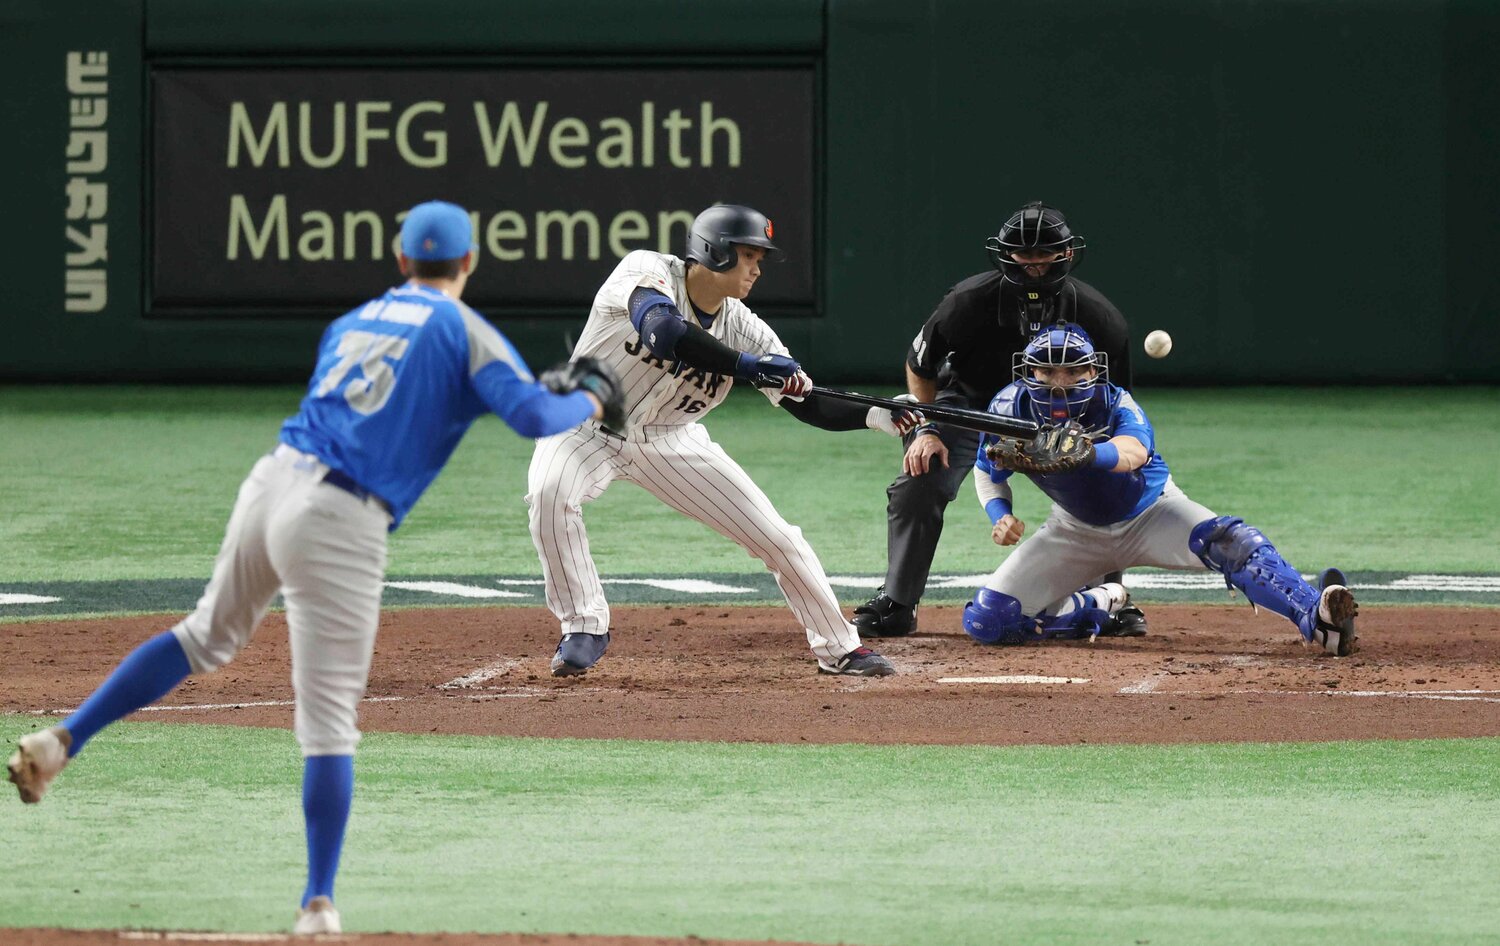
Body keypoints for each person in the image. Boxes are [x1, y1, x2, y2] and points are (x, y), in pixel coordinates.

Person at [6, 201, 621, 935]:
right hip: (338, 518)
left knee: (204, 637)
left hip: (272, 481)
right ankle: (317, 904)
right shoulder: (467, 330)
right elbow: (528, 417)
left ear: (400, 261)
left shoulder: (351, 321)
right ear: (468, 262)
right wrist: (586, 397)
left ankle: (62, 739)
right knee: (328, 724)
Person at [526, 203, 922, 678]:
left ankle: (840, 648)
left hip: (670, 439)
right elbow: (664, 332)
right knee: (551, 494)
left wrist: (877, 413)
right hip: (582, 424)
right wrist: (749, 367)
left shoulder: (745, 327)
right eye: (749, 256)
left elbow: (807, 402)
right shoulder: (646, 270)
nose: (757, 269)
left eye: (759, 259)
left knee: (778, 537)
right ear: (713, 252)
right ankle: (584, 624)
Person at [961, 322, 1358, 656]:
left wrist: (1086, 453)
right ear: (1028, 372)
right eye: (1046, 372)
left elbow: (1133, 452)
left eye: (1072, 371)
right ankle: (1095, 604)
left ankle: (1317, 616)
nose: (1058, 383)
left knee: (1231, 540)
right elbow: (987, 470)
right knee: (989, 620)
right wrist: (1001, 515)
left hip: (1152, 513)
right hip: (1073, 531)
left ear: (1092, 373)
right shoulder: (1007, 410)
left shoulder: (1118, 403)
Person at [853, 201, 1144, 638]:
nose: (1033, 264)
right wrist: (927, 428)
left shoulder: (1099, 316)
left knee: (1106, 477)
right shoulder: (967, 301)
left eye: (1044, 253)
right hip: (969, 406)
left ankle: (1112, 596)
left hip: (1063, 414)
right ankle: (897, 601)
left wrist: (1095, 451)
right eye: (1024, 254)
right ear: (1004, 254)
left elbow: (1114, 398)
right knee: (920, 477)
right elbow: (920, 365)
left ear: (1066, 253)